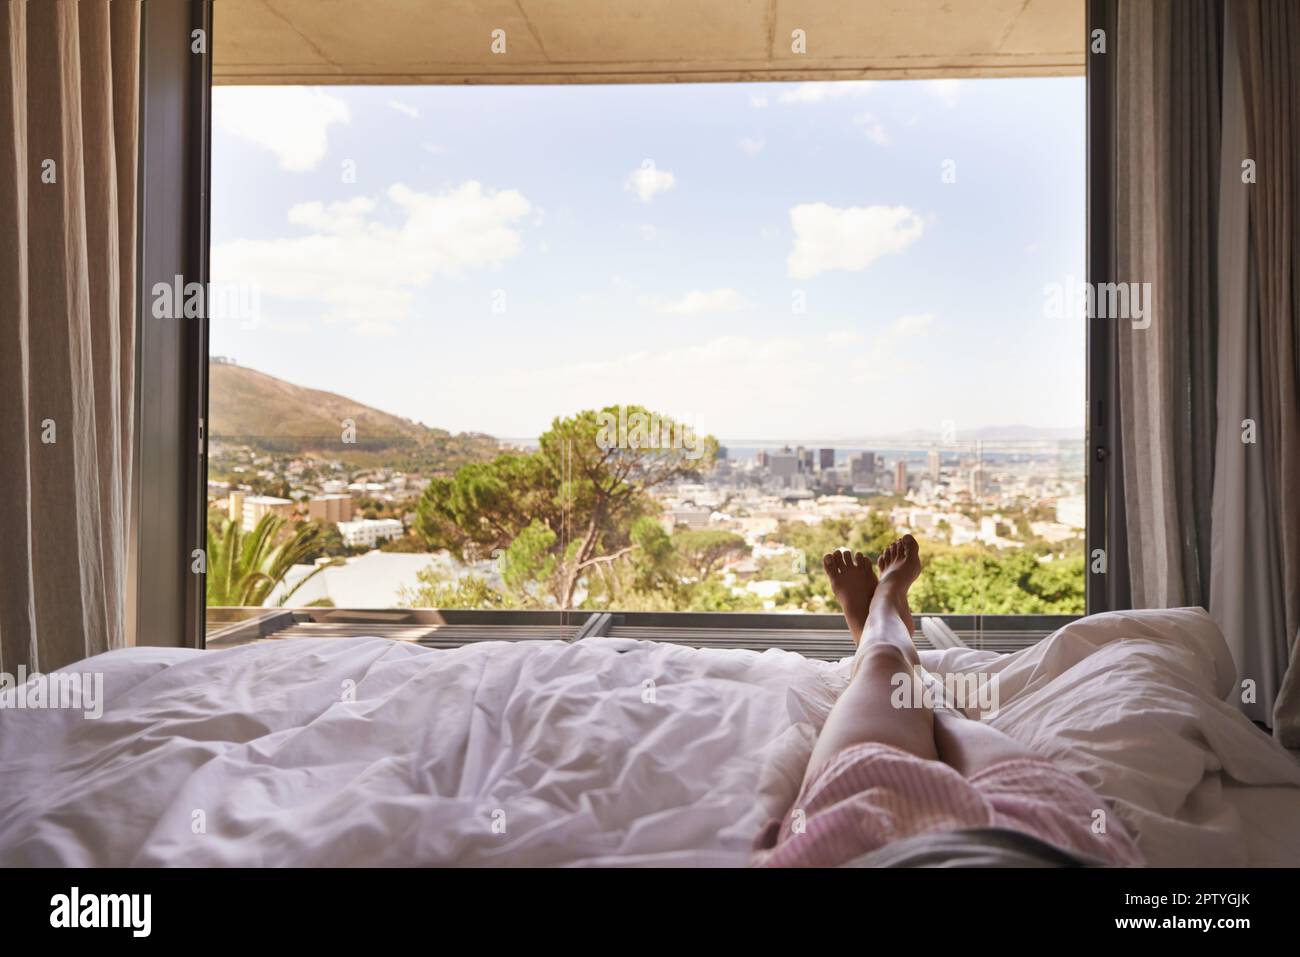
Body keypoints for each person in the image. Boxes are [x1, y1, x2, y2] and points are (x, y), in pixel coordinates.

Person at [752, 534, 1143, 867]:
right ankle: (887, 620)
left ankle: (883, 620)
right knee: (948, 719)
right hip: (1045, 841)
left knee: (885, 669)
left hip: (859, 836)